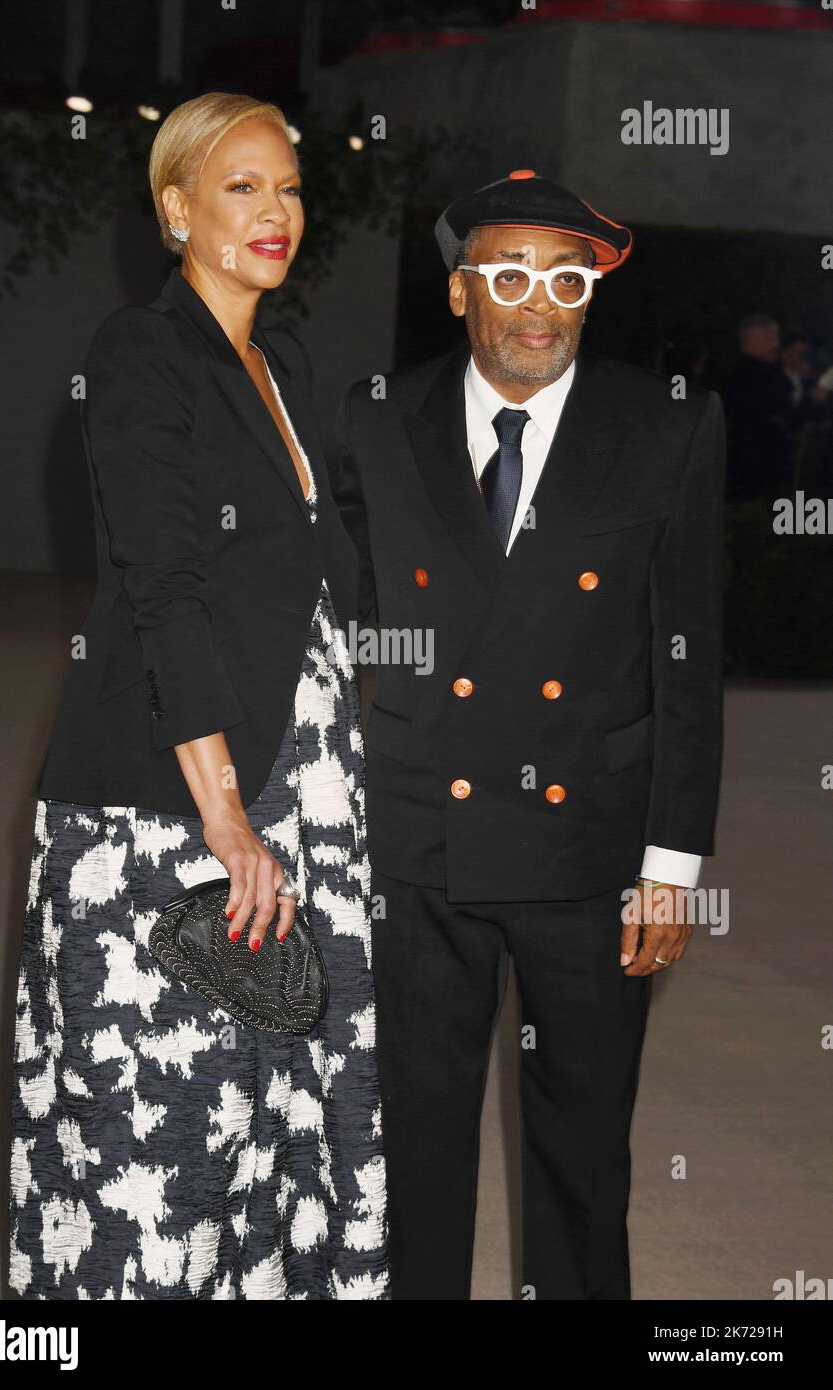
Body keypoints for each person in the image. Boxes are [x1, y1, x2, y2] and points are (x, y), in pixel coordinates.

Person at [8, 92, 389, 1301]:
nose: (275, 212)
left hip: (303, 786)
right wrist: (225, 816)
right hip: (170, 801)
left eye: (287, 187)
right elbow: (166, 587)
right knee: (159, 1141)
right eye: (241, 187)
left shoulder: (282, 359)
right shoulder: (141, 351)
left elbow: (323, 585)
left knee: (274, 1124)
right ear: (176, 209)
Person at [334, 169, 725, 1299]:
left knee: (585, 1152)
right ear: (460, 293)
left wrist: (672, 864)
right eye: (508, 274)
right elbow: (337, 617)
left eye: (567, 277)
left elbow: (688, 656)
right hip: (419, 840)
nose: (539, 303)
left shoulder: (667, 425)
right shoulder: (376, 417)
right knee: (416, 1145)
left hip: (590, 849)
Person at [722, 312, 792, 501]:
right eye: (771, 338)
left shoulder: (759, 371)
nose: (776, 344)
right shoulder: (748, 375)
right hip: (755, 467)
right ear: (754, 339)